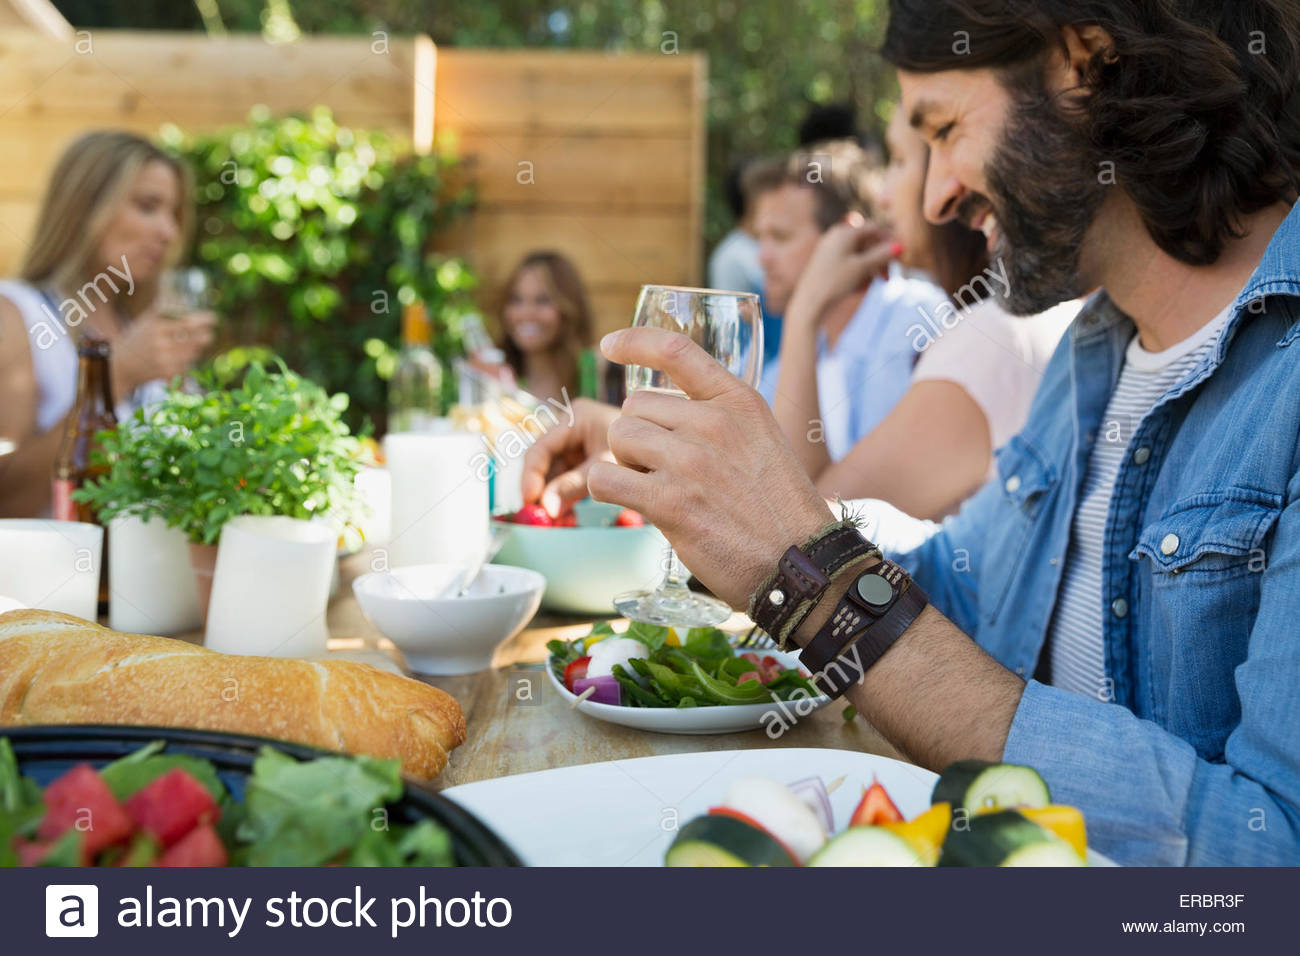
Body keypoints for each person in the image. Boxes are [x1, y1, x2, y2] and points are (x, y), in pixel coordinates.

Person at [522, 0, 1300, 866]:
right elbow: (961, 590)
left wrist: (813, 573)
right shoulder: (1099, 344)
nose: (933, 196)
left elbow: (1276, 855)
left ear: (1086, 63)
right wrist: (744, 502)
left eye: (944, 128)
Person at [775, 105, 1077, 518]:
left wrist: (804, 311)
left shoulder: (988, 340)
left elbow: (805, 526)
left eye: (899, 161)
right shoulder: (1005, 322)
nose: (882, 196)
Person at [0, 131, 214, 519]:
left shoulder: (142, 324)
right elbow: (8, 497)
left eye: (174, 214)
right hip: (62, 575)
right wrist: (116, 377)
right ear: (84, 207)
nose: (169, 233)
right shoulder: (17, 313)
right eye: (148, 206)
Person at [748, 141, 950, 459]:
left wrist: (804, 311)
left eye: (781, 237)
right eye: (760, 238)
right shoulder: (791, 358)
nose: (762, 257)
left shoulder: (918, 326)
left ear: (845, 235)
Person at [496, 250, 594, 407]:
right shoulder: (494, 382)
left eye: (542, 300)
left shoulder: (593, 379)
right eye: (516, 299)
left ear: (568, 308)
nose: (526, 313)